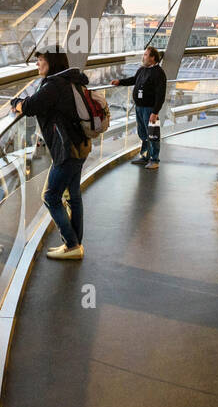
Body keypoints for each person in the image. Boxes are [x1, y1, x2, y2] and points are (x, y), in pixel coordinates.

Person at [11, 49, 92, 260]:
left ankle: (72, 244)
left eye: (40, 61)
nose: (38, 64)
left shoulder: (54, 85)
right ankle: (75, 245)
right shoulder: (69, 81)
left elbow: (30, 106)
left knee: (50, 197)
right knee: (73, 196)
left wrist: (16, 103)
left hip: (66, 150)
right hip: (80, 146)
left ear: (51, 63)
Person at [111, 45, 167, 170]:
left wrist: (155, 112)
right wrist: (120, 82)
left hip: (149, 109)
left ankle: (154, 159)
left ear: (153, 58)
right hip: (139, 107)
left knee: (152, 134)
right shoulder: (142, 69)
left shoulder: (159, 73)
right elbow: (134, 80)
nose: (144, 57)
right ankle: (145, 156)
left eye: (146, 55)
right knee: (143, 133)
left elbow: (160, 94)